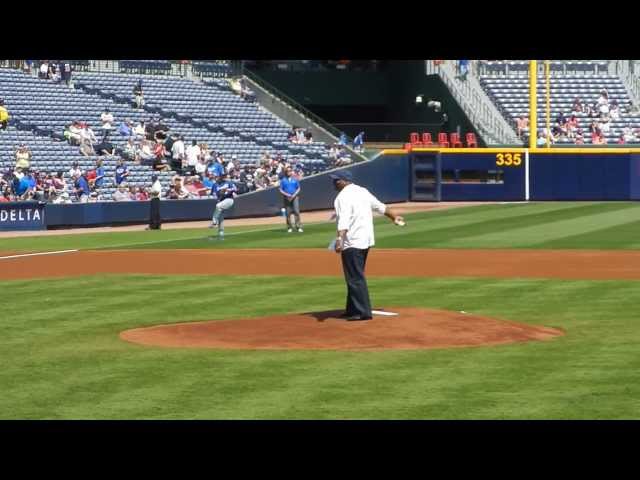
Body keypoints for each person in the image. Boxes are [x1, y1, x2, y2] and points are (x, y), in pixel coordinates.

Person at [330, 170, 405, 321]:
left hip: (352, 241)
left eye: (336, 180)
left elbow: (343, 220)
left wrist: (339, 239)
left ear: (344, 181)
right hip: (365, 240)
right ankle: (352, 308)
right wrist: (394, 217)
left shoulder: (342, 197)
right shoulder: (362, 191)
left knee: (355, 277)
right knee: (354, 275)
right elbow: (380, 207)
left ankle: (362, 311)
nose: (334, 183)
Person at [209, 173, 238, 239]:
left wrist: (227, 190)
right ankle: (221, 232)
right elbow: (213, 194)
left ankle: (214, 221)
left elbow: (235, 189)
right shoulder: (215, 185)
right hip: (221, 201)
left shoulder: (228, 182)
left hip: (229, 200)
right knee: (221, 217)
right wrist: (218, 196)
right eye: (220, 176)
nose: (222, 177)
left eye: (223, 176)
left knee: (218, 206)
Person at [279, 166, 303, 233]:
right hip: (287, 197)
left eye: (290, 171)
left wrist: (294, 194)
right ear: (286, 172)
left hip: (295, 197)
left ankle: (298, 226)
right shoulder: (283, 180)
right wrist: (287, 195)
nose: (289, 172)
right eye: (288, 171)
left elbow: (298, 188)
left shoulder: (295, 179)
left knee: (296, 212)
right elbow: (280, 189)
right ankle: (289, 227)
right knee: (288, 213)